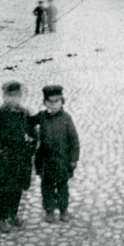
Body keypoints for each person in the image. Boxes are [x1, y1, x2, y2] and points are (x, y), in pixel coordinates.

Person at [0, 81, 36, 232]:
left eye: (16, 96)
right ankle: (0, 218)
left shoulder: (25, 113)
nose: (13, 99)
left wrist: (31, 148)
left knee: (18, 187)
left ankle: (12, 214)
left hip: (21, 156)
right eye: (10, 96)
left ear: (21, 96)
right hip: (5, 157)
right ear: (4, 96)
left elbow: (33, 133)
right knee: (5, 189)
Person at [32, 85, 80, 223]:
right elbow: (28, 123)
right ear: (44, 102)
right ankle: (49, 210)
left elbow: (74, 140)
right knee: (46, 187)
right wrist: (33, 137)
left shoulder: (66, 118)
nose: (53, 104)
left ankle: (63, 210)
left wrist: (73, 159)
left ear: (62, 101)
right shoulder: (41, 116)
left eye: (57, 101)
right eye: (50, 101)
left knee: (62, 187)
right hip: (45, 161)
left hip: (62, 161)